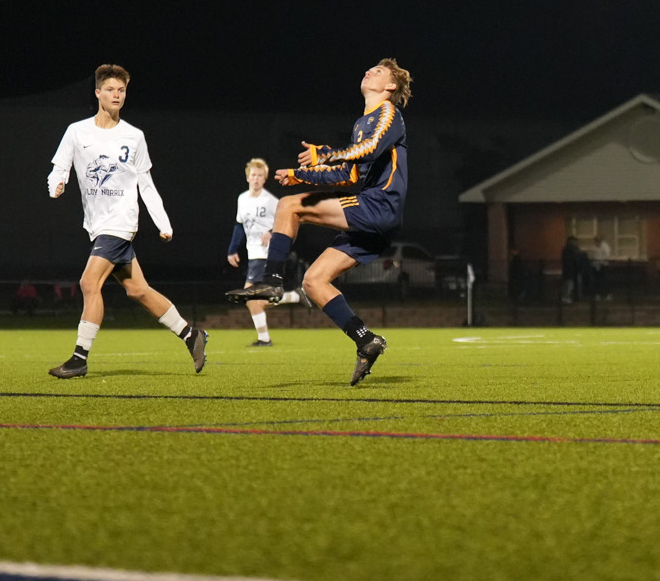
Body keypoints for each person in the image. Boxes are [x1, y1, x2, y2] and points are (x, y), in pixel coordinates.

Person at [241, 59, 409, 384]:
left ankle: (272, 279)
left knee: (289, 207)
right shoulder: (362, 122)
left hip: (379, 205)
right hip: (373, 215)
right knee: (313, 282)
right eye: (369, 68)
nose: (369, 71)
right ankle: (366, 340)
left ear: (390, 86)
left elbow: (370, 149)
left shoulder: (388, 113)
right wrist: (300, 173)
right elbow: (349, 173)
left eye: (378, 71)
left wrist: (327, 152)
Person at [45, 65, 205, 380]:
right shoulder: (77, 131)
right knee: (138, 290)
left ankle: (79, 359)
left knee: (89, 283)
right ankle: (191, 335)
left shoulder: (134, 136)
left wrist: (163, 222)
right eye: (111, 90)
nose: (117, 95)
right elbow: (59, 167)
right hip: (97, 224)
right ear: (98, 93)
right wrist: (56, 185)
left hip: (120, 222)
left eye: (122, 90)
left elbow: (146, 184)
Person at [226, 157, 283, 346]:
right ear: (247, 177)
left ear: (265, 179)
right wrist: (232, 250)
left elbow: (286, 221)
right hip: (252, 253)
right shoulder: (242, 198)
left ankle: (264, 338)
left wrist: (272, 232)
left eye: (260, 175)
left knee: (250, 296)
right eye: (253, 175)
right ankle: (294, 296)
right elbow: (239, 226)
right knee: (256, 298)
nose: (256, 179)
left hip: (265, 253)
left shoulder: (271, 201)